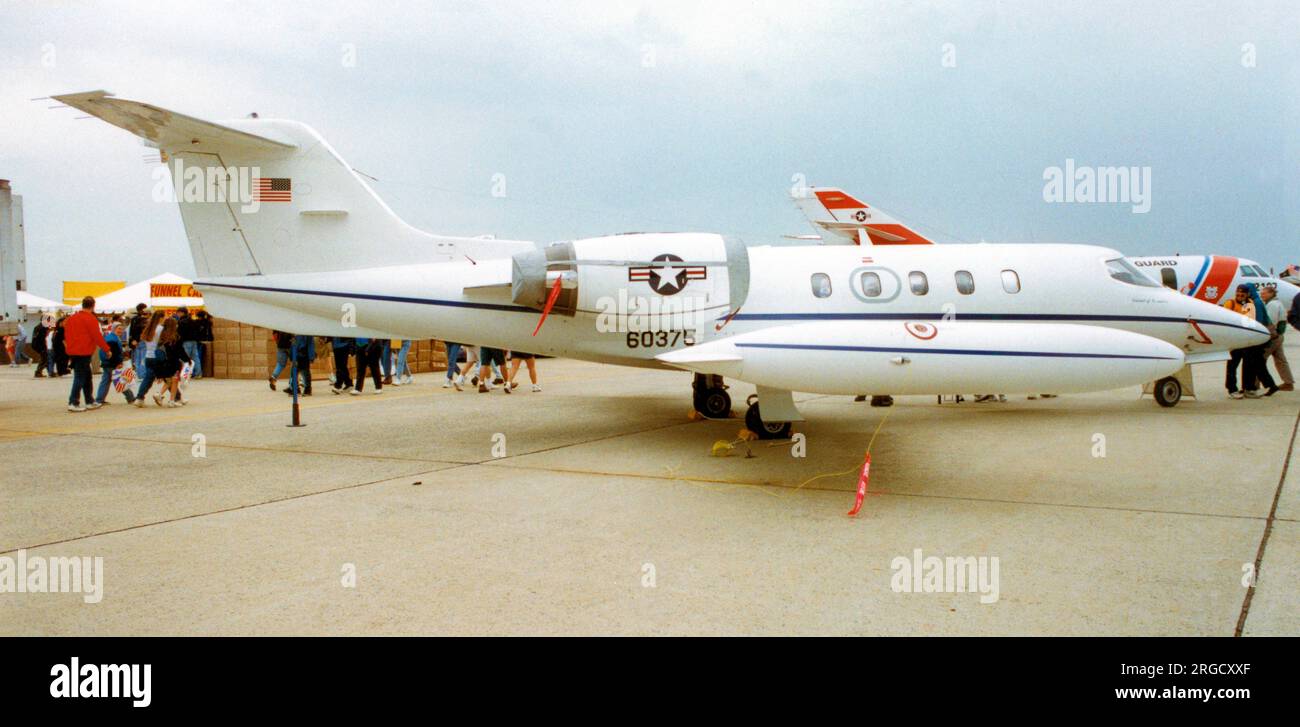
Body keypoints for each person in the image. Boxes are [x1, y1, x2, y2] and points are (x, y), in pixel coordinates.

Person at [63, 296, 111, 412]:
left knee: (86, 376)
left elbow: (66, 335)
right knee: (80, 377)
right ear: (93, 306)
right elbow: (97, 336)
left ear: (82, 304)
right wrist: (107, 349)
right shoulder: (90, 319)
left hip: (73, 351)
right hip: (84, 351)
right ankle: (73, 402)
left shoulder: (71, 318)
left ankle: (89, 400)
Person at [1241, 283, 1278, 398]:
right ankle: (1252, 386)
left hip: (1255, 339)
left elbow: (1257, 322)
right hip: (1255, 338)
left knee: (1253, 363)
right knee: (1256, 364)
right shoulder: (1255, 302)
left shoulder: (1254, 303)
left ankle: (1253, 386)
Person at [132, 310, 168, 407]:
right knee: (169, 377)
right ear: (161, 318)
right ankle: (176, 397)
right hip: (158, 356)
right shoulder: (161, 329)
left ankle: (139, 398)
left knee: (147, 379)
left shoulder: (148, 329)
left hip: (148, 356)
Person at [1260, 286, 1293, 391]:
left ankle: (1254, 384)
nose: (1262, 295)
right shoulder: (1278, 303)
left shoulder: (1272, 305)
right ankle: (1288, 382)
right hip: (1279, 336)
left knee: (1259, 359)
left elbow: (1270, 322)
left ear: (1271, 294)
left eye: (1264, 293)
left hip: (1273, 337)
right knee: (1281, 360)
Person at [153, 318, 192, 407]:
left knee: (169, 381)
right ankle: (171, 401)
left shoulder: (161, 336)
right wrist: (187, 360)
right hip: (173, 362)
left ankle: (159, 394)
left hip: (162, 362)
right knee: (175, 381)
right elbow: (180, 351)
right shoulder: (176, 337)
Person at [1223, 285, 1253, 399]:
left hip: (1246, 339)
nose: (1240, 296)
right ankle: (1232, 389)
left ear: (1247, 294)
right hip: (1234, 339)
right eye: (1238, 294)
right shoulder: (1230, 303)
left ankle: (1247, 388)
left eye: (1242, 294)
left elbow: (1250, 320)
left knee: (1248, 365)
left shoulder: (1249, 303)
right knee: (1232, 365)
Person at [94, 320, 134, 405]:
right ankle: (131, 398)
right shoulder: (112, 339)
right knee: (120, 379)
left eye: (122, 329)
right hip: (111, 363)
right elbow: (114, 353)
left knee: (107, 380)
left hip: (107, 363)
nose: (121, 331)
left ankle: (99, 399)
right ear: (113, 329)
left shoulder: (111, 337)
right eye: (118, 329)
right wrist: (117, 363)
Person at [177, 307, 203, 379]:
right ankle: (198, 373)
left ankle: (185, 375)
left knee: (185, 358)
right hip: (194, 341)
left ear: (182, 312)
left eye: (178, 312)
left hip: (186, 341)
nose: (177, 314)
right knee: (195, 358)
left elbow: (180, 333)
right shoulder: (192, 320)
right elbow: (198, 329)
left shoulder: (182, 321)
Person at [127, 303, 150, 372]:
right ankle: (142, 374)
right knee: (142, 358)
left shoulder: (134, 319)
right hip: (141, 340)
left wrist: (132, 340)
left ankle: (138, 373)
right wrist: (137, 339)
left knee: (137, 358)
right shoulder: (143, 319)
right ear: (142, 310)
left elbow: (131, 331)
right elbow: (140, 331)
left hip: (135, 341)